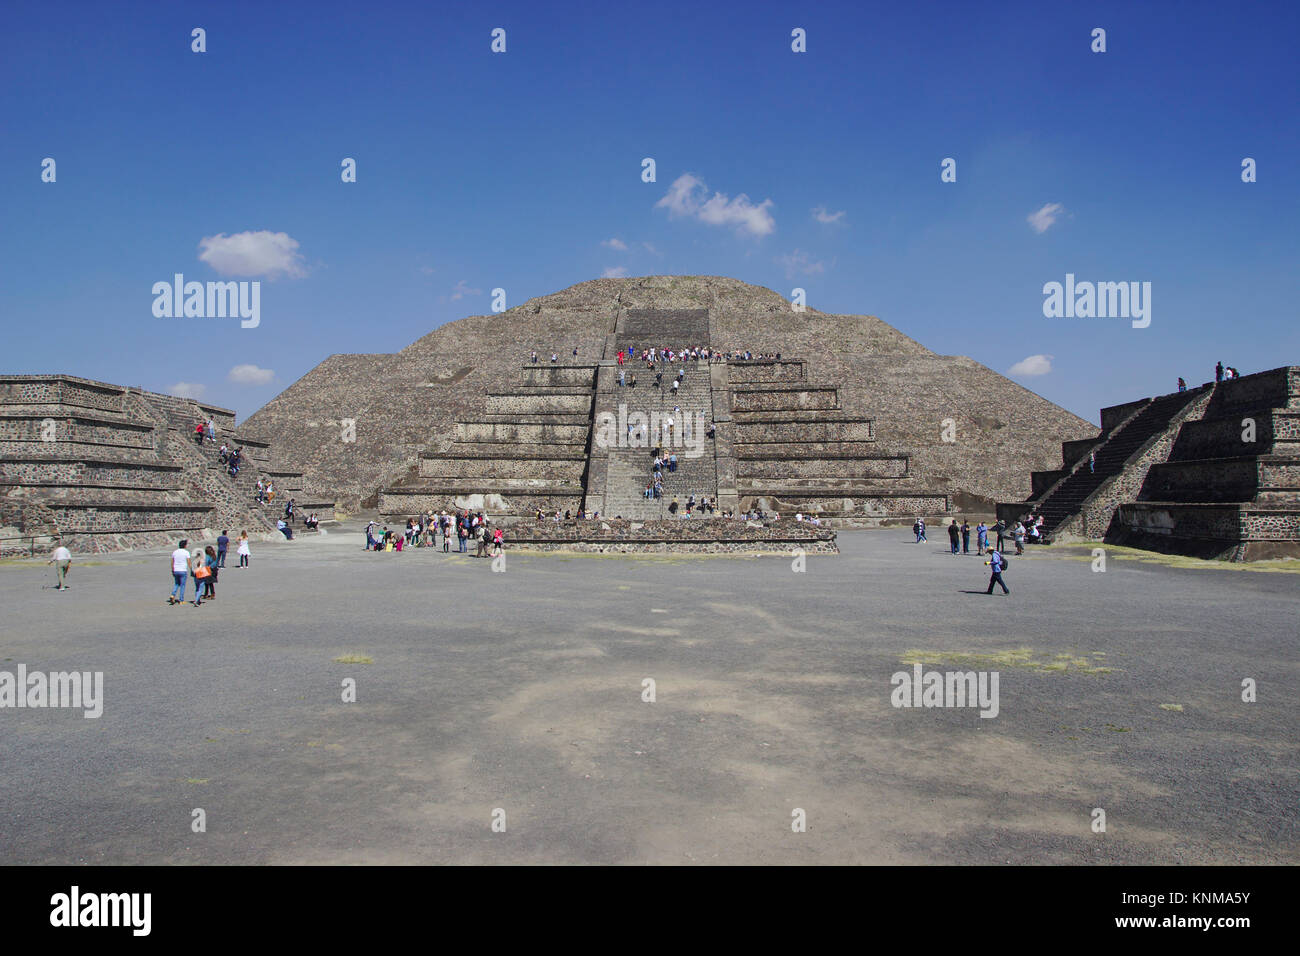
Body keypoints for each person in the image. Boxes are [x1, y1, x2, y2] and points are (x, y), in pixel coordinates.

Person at [169, 540, 192, 604]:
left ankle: (172, 595)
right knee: (182, 585)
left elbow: (172, 562)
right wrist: (192, 569)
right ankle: (181, 600)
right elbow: (189, 562)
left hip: (176, 570)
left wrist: (172, 570)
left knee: (176, 584)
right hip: (183, 570)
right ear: (185, 545)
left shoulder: (175, 552)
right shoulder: (186, 552)